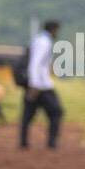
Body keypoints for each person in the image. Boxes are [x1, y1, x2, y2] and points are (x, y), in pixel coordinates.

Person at [20, 19, 63, 150]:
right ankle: (51, 143)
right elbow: (36, 63)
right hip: (41, 85)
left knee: (28, 114)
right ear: (53, 29)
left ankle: (23, 142)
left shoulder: (39, 40)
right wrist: (35, 85)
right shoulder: (44, 42)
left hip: (37, 83)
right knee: (56, 112)